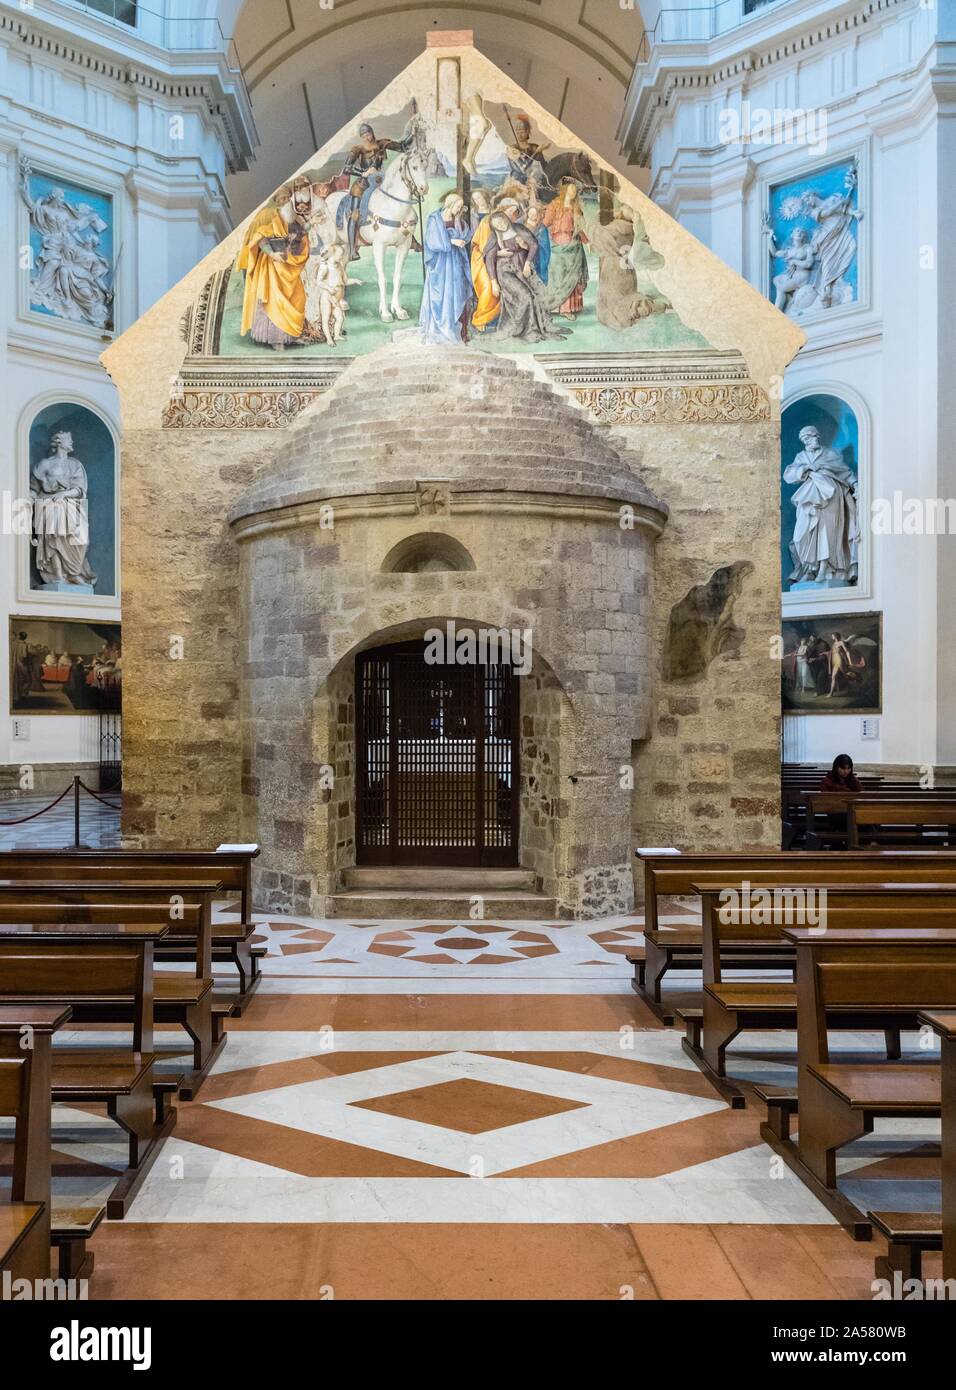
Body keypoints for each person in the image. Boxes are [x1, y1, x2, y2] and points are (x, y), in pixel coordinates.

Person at [235, 183, 311, 347]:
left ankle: (292, 335)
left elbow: (302, 234)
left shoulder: (293, 218)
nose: (284, 201)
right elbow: (260, 237)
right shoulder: (269, 215)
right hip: (273, 268)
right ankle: (277, 340)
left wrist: (310, 226)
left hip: (289, 266)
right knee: (275, 302)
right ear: (276, 201)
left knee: (298, 298)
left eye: (286, 198)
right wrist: (272, 254)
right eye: (281, 199)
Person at [783, 424, 859, 586]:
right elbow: (789, 475)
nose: (814, 438)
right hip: (809, 497)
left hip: (831, 495)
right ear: (804, 441)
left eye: (815, 435)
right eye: (809, 437)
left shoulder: (830, 454)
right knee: (802, 534)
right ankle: (809, 569)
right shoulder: (801, 457)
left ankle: (825, 569)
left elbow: (845, 472)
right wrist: (806, 468)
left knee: (829, 533)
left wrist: (856, 484)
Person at [419, 192, 475, 344]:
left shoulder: (458, 219)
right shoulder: (434, 219)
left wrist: (459, 223)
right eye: (457, 206)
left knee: (457, 292)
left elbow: (466, 234)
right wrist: (452, 242)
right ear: (450, 204)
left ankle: (457, 328)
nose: (459, 209)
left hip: (456, 262)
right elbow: (432, 242)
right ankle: (440, 329)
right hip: (441, 264)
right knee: (443, 294)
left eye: (460, 206)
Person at [541, 179, 589, 318]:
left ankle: (569, 308)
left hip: (574, 246)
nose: (573, 192)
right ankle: (555, 306)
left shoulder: (576, 207)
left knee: (573, 277)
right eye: (571, 189)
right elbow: (545, 224)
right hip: (557, 245)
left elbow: (579, 228)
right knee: (558, 276)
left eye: (575, 190)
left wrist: (587, 242)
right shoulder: (555, 205)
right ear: (565, 189)